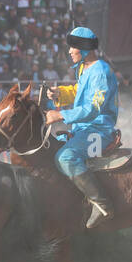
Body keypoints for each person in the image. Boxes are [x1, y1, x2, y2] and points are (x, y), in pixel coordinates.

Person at [45, 27, 118, 228]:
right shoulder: (84, 69)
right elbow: (79, 91)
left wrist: (60, 114)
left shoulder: (101, 71)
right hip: (81, 129)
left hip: (99, 130)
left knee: (65, 157)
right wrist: (59, 93)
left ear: (84, 49)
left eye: (73, 47)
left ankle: (102, 204)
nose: (69, 51)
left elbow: (94, 108)